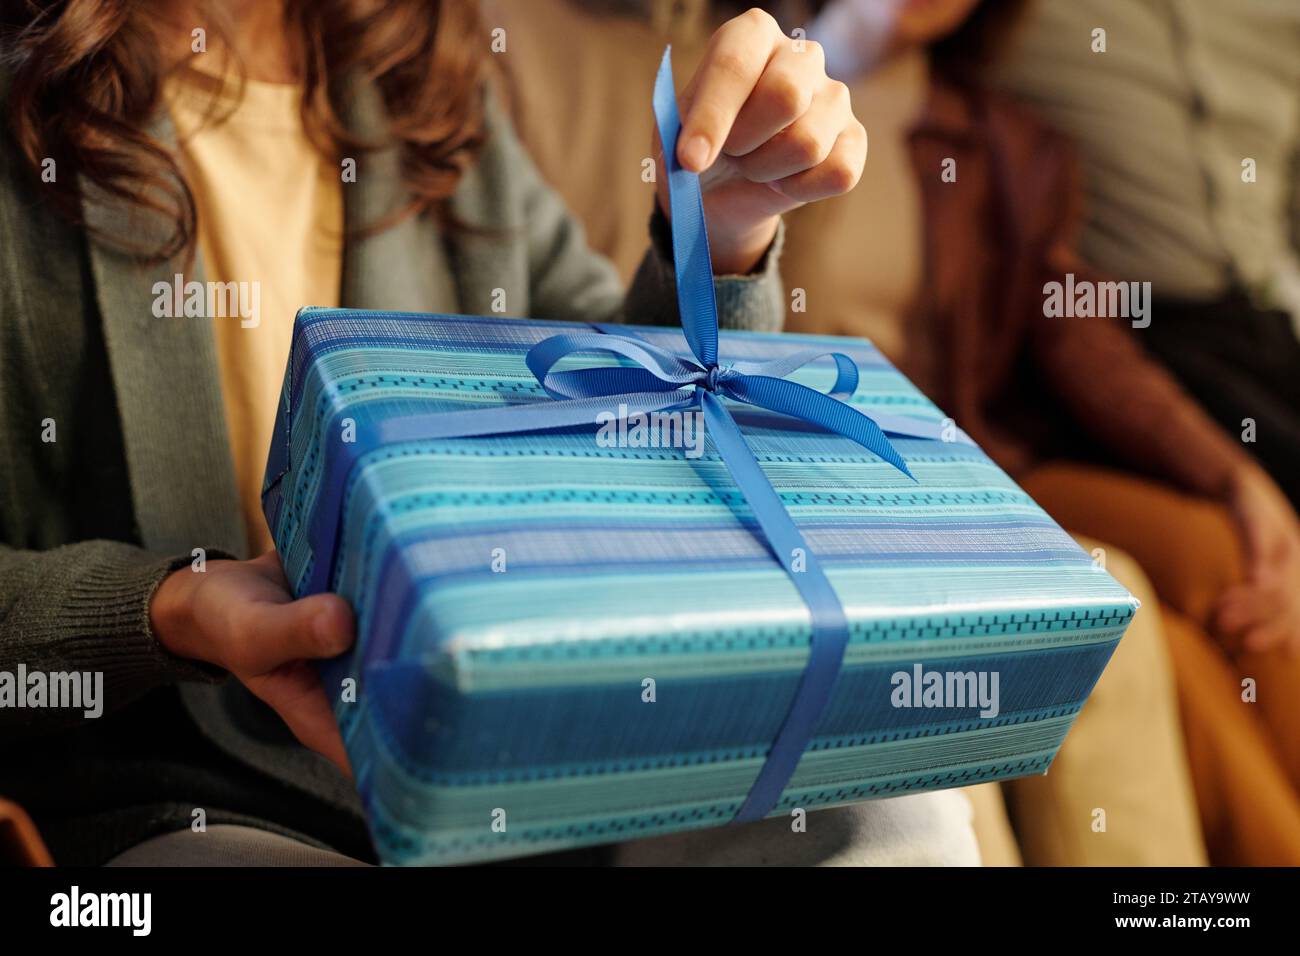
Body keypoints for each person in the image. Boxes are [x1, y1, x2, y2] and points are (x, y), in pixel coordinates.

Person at [0, 0, 975, 866]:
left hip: (529, 771)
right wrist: (167, 607)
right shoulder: (24, 107)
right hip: (208, 799)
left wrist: (721, 232)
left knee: (890, 807)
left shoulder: (421, 88)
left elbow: (632, 417)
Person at [494, 0, 1300, 865]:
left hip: (938, 452)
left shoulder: (992, 136)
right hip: (798, 458)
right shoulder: (692, 72)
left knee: (1225, 560)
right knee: (1107, 628)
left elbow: (1068, 324)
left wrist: (1228, 474)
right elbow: (698, 307)